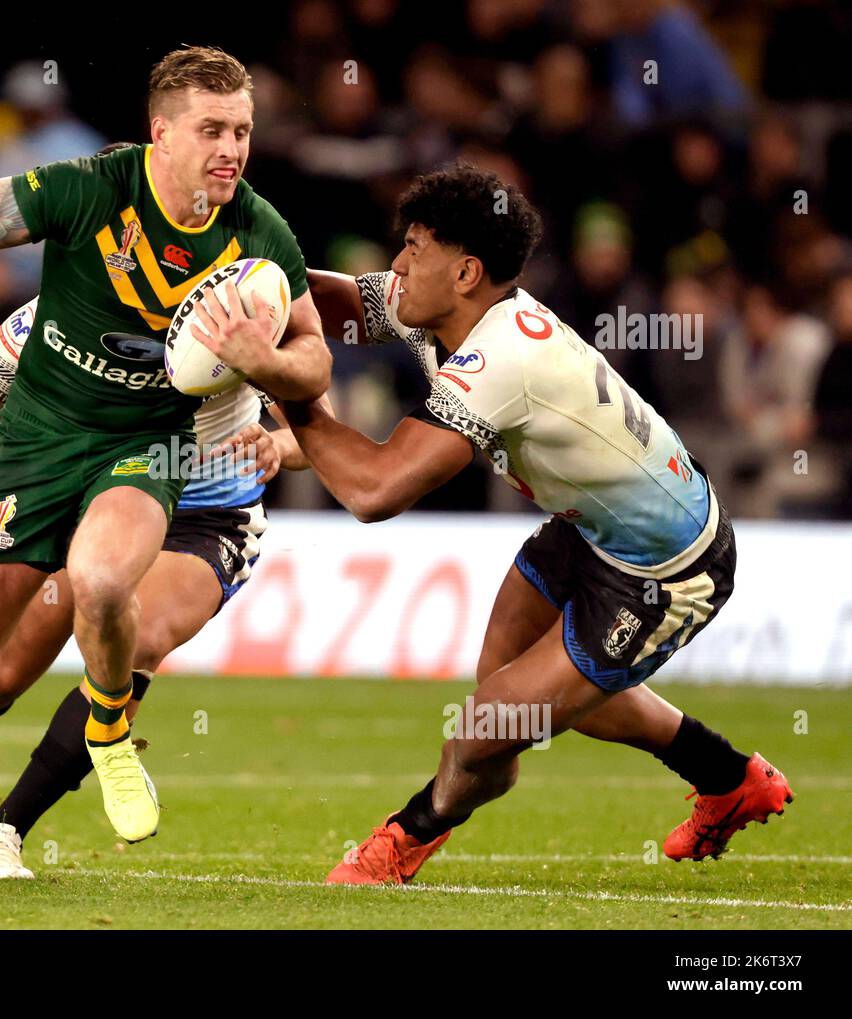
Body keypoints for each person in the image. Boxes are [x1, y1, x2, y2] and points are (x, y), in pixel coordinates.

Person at [0, 46, 330, 884]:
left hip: (182, 476)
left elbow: (315, 361)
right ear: (159, 134)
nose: (232, 149)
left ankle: (35, 800)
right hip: (44, 461)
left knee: (105, 590)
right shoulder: (70, 242)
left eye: (242, 131)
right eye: (212, 129)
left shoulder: (257, 237)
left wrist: (269, 378)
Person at [288, 164, 792, 885]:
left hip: (669, 566)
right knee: (503, 718)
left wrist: (292, 399)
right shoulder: (453, 308)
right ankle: (727, 774)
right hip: (589, 526)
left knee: (484, 731)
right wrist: (246, 275)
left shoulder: (499, 358)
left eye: (414, 247)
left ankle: (404, 838)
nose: (395, 263)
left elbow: (375, 490)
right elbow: (333, 305)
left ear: (464, 271)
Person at [0, 293, 304, 877]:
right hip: (100, 500)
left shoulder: (237, 314)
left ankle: (4, 832)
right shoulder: (52, 314)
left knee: (137, 636)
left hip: (205, 516)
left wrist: (277, 444)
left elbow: (316, 434)